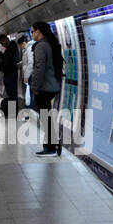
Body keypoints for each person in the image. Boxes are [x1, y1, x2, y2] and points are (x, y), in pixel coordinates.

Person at [30, 21, 64, 156]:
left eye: (32, 31)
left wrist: (35, 86)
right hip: (53, 85)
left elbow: (39, 68)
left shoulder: (40, 46)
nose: (31, 34)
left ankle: (51, 147)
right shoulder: (51, 43)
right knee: (47, 116)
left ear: (39, 31)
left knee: (45, 117)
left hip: (44, 87)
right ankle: (53, 144)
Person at [1, 34, 20, 116]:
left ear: (5, 39)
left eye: (2, 42)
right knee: (11, 93)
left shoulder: (12, 47)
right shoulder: (9, 48)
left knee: (12, 94)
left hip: (11, 74)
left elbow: (13, 61)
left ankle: (13, 112)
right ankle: (12, 112)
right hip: (9, 74)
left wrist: (5, 65)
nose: (2, 44)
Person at [20, 37, 34, 108]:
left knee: (29, 94)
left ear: (23, 43)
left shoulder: (29, 49)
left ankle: (29, 111)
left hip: (30, 75)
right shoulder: (26, 49)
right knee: (29, 94)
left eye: (20, 45)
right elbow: (26, 62)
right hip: (29, 74)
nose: (20, 47)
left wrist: (26, 76)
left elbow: (31, 63)